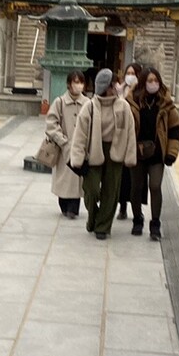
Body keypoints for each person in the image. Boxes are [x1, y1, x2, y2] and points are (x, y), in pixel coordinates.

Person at [68, 67, 137, 240]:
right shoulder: (89, 107)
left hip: (116, 151)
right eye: (113, 83)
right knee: (91, 189)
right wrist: (77, 157)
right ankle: (93, 217)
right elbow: (80, 135)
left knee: (111, 190)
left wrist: (130, 156)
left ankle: (103, 226)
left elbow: (130, 132)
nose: (117, 86)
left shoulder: (123, 107)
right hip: (94, 151)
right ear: (106, 86)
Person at [128, 66, 179, 241]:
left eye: (156, 80)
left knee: (155, 186)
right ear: (143, 82)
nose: (153, 84)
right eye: (150, 80)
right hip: (137, 152)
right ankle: (137, 219)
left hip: (157, 153)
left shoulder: (165, 103)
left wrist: (171, 152)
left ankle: (155, 223)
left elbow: (175, 129)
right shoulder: (132, 101)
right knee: (136, 187)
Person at [44, 70, 87, 219]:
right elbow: (51, 123)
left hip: (80, 148)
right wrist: (62, 140)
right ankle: (64, 205)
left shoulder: (87, 103)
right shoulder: (60, 102)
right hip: (64, 148)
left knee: (77, 179)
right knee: (64, 179)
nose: (79, 85)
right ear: (69, 84)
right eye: (76, 82)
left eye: (81, 82)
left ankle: (73, 209)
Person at [116, 62, 144, 221]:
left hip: (135, 139)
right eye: (129, 72)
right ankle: (122, 207)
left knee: (134, 179)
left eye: (134, 73)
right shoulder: (119, 90)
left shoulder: (140, 93)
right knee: (122, 177)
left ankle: (136, 210)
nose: (130, 75)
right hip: (121, 138)